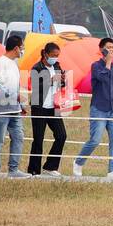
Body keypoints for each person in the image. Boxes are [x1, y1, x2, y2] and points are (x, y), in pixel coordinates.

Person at [74, 37, 113, 179]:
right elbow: (102, 78)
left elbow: (108, 85)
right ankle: (78, 162)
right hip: (99, 108)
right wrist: (108, 62)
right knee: (95, 140)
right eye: (108, 47)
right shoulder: (96, 66)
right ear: (101, 49)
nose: (111, 50)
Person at [0, 34, 30, 179]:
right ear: (16, 48)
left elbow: (15, 86)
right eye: (22, 47)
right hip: (1, 109)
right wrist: (13, 95)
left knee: (18, 137)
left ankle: (13, 169)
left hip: (15, 108)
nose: (23, 50)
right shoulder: (1, 62)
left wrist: (20, 103)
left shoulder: (14, 63)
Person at [27, 42, 67, 176]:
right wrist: (50, 79)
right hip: (40, 107)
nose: (55, 58)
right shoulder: (36, 68)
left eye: (57, 56)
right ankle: (34, 170)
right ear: (45, 54)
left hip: (53, 107)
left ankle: (50, 166)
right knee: (38, 139)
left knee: (61, 135)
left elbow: (61, 84)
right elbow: (36, 87)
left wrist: (62, 79)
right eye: (53, 55)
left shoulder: (57, 66)